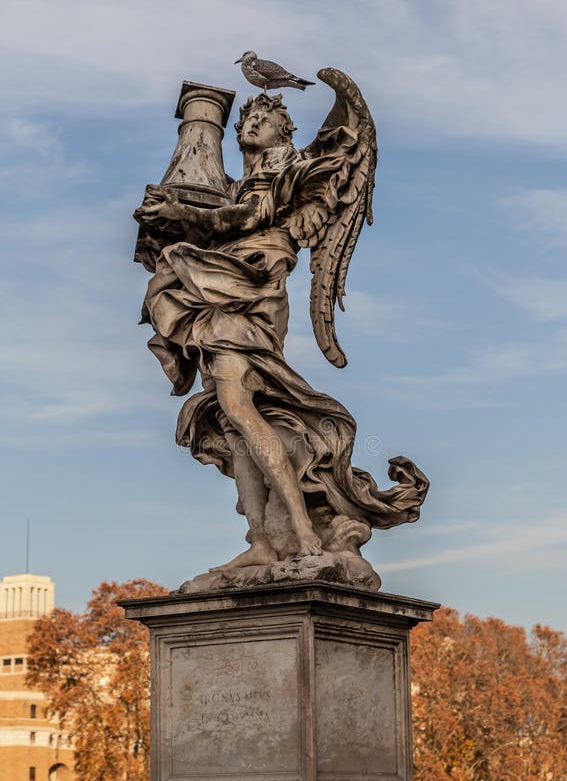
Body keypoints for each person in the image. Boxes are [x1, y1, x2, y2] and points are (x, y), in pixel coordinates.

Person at [135, 93, 427, 570]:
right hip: (222, 288)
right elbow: (219, 217)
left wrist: (188, 218)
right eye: (246, 120)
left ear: (283, 130)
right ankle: (263, 542)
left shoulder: (286, 166)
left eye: (262, 119)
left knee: (235, 406)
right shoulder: (234, 182)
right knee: (233, 421)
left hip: (252, 287)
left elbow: (251, 218)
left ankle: (303, 527)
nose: (250, 126)